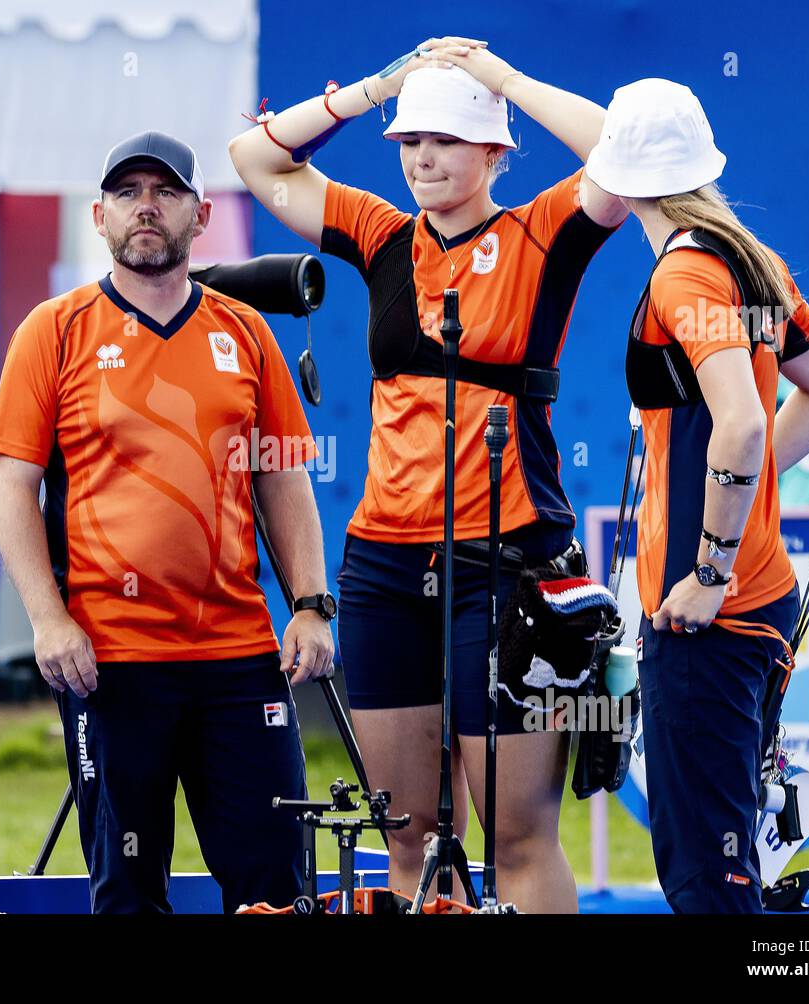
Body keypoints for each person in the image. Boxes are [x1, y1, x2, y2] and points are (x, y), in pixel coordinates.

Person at [228, 39, 627, 909]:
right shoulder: (380, 235)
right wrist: (376, 87)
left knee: (516, 834)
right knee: (406, 834)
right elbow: (255, 158)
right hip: (383, 564)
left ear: (495, 154)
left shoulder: (543, 231)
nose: (422, 158)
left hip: (508, 559)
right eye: (411, 141)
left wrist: (506, 81)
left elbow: (624, 147)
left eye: (446, 141)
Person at [0, 131, 334, 914]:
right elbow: (10, 488)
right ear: (101, 217)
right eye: (128, 194)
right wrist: (48, 621)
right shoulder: (55, 329)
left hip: (240, 658)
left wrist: (310, 606)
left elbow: (283, 475)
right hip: (107, 659)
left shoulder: (245, 331)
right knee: (129, 888)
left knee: (275, 883)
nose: (147, 208)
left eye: (167, 192)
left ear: (201, 215)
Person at [583, 78, 809, 912]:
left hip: (709, 620)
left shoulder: (686, 276)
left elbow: (739, 424)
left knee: (710, 880)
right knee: (728, 866)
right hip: (753, 613)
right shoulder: (751, 260)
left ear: (623, 184)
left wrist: (709, 567)